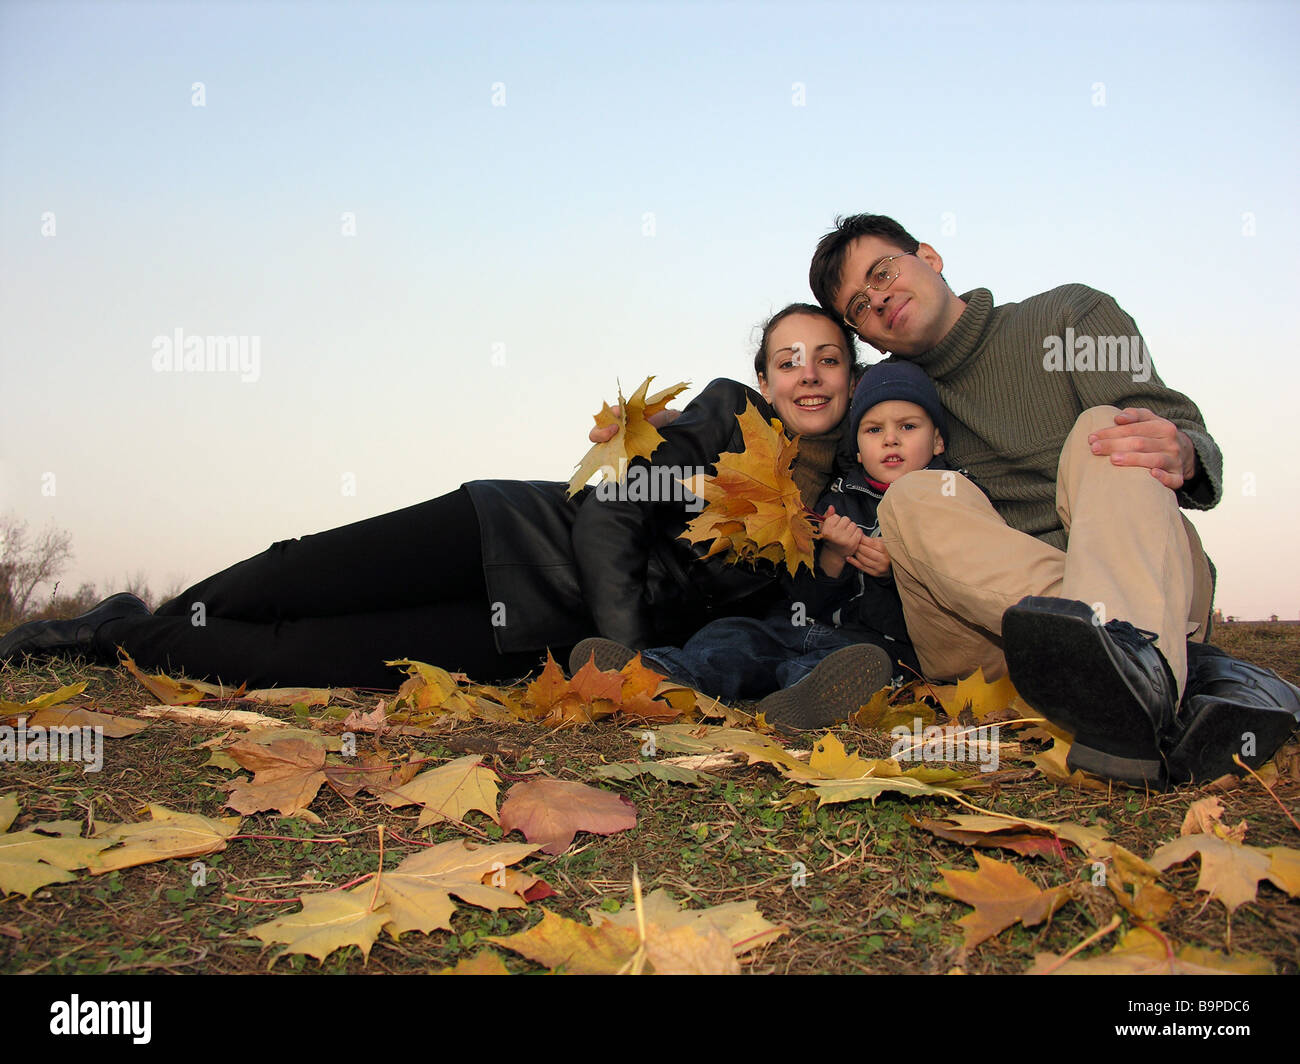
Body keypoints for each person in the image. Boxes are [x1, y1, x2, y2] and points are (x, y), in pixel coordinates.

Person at [0, 304, 865, 695]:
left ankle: (122, 634)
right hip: (500, 532)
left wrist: (834, 564)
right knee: (288, 574)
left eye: (827, 358)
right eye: (789, 358)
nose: (808, 374)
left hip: (524, 634)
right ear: (762, 376)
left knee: (286, 661)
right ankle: (110, 624)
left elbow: (772, 625)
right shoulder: (723, 418)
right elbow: (612, 509)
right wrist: (628, 654)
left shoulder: (829, 505)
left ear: (851, 377)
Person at [804, 213, 1300, 786]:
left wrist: (1185, 450)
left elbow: (1174, 425)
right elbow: (813, 430)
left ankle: (1130, 668)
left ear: (930, 258)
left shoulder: (1068, 318)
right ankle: (1164, 676)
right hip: (987, 636)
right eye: (858, 306)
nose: (878, 299)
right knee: (913, 495)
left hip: (1147, 577)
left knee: (1106, 429)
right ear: (864, 335)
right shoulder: (896, 398)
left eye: (883, 271)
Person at [572, 358, 955, 733]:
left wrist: (897, 570)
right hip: (799, 626)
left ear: (937, 440)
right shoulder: (837, 499)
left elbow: (957, 587)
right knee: (731, 636)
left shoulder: (951, 500)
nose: (890, 439)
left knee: (841, 664)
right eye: (873, 430)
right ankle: (660, 676)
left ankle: (803, 700)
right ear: (856, 450)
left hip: (869, 641)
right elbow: (804, 591)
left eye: (907, 426)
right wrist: (834, 558)